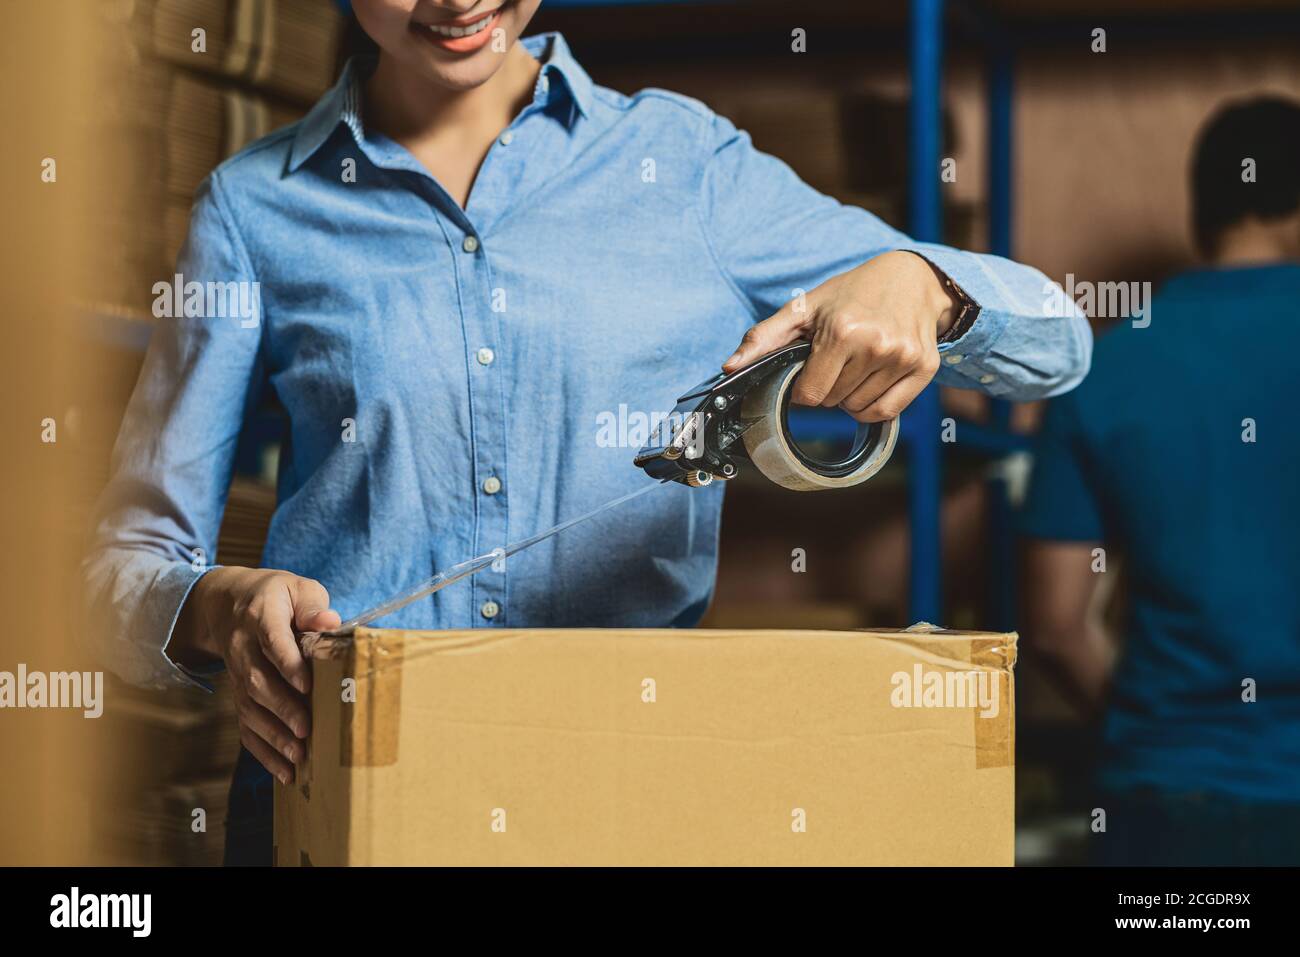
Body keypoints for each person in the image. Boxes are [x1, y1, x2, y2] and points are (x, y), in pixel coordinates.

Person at [84, 0, 1091, 865]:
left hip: (615, 791)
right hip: (345, 799)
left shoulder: (685, 167)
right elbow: (119, 570)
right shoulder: (257, 207)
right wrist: (219, 606)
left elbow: (1057, 342)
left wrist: (923, 283)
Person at [1020, 95, 1300, 866]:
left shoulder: (1105, 366)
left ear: (1205, 207)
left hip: (1163, 796)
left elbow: (1055, 623)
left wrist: (1156, 728)